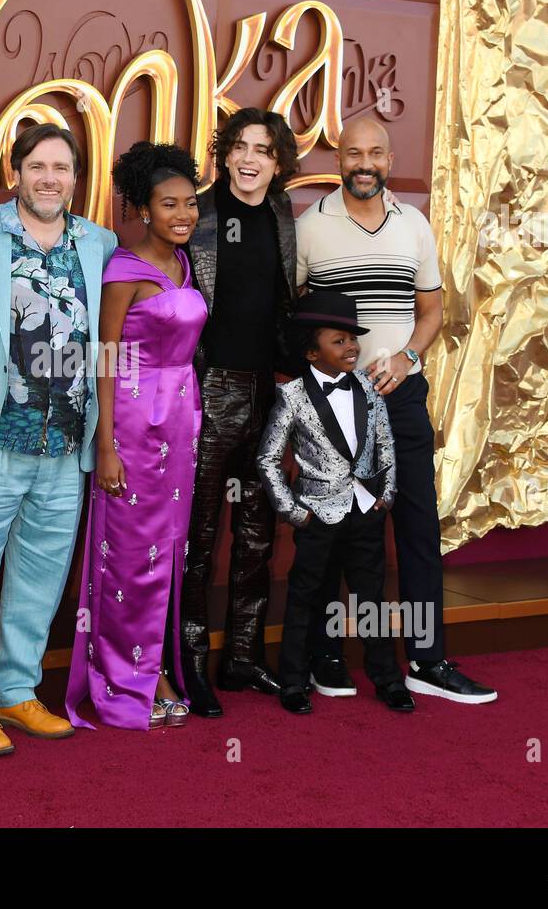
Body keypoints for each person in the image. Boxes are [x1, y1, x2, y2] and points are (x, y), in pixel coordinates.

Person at [295, 117, 496, 703]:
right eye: (353, 152)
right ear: (338, 158)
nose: (364, 162)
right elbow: (297, 315)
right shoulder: (311, 227)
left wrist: (408, 356)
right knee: (333, 528)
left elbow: (432, 312)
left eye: (375, 153)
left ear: (390, 157)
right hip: (335, 401)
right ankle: (327, 658)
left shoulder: (414, 224)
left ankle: (427, 662)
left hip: (401, 396)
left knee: (415, 528)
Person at [0, 123, 118, 755]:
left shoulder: (99, 243)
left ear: (76, 178)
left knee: (40, 580)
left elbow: (109, 343)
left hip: (66, 444)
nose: (49, 178)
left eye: (62, 168)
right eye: (37, 166)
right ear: (14, 171)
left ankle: (16, 690)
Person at [65, 142, 207, 731]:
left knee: (167, 554)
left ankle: (156, 670)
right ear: (143, 211)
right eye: (168, 205)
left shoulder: (183, 264)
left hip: (181, 422)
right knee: (128, 558)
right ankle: (127, 678)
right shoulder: (123, 269)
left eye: (191, 204)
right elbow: (105, 358)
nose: (183, 215)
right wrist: (105, 444)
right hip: (132, 422)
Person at [181, 107, 299, 717]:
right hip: (208, 390)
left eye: (263, 150)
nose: (249, 159)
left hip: (268, 388)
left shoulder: (282, 215)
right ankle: (190, 662)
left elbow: (282, 303)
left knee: (258, 532)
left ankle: (245, 658)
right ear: (224, 154)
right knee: (199, 536)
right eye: (240, 147)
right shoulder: (195, 213)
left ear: (278, 164)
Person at [258, 290, 414, 715]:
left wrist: (387, 494)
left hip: (366, 509)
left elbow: (385, 442)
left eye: (353, 339)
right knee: (304, 597)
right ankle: (293, 680)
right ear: (312, 352)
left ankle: (387, 677)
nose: (351, 347)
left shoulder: (367, 385)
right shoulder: (291, 397)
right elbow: (268, 458)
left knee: (372, 598)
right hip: (317, 514)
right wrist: (291, 510)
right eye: (339, 341)